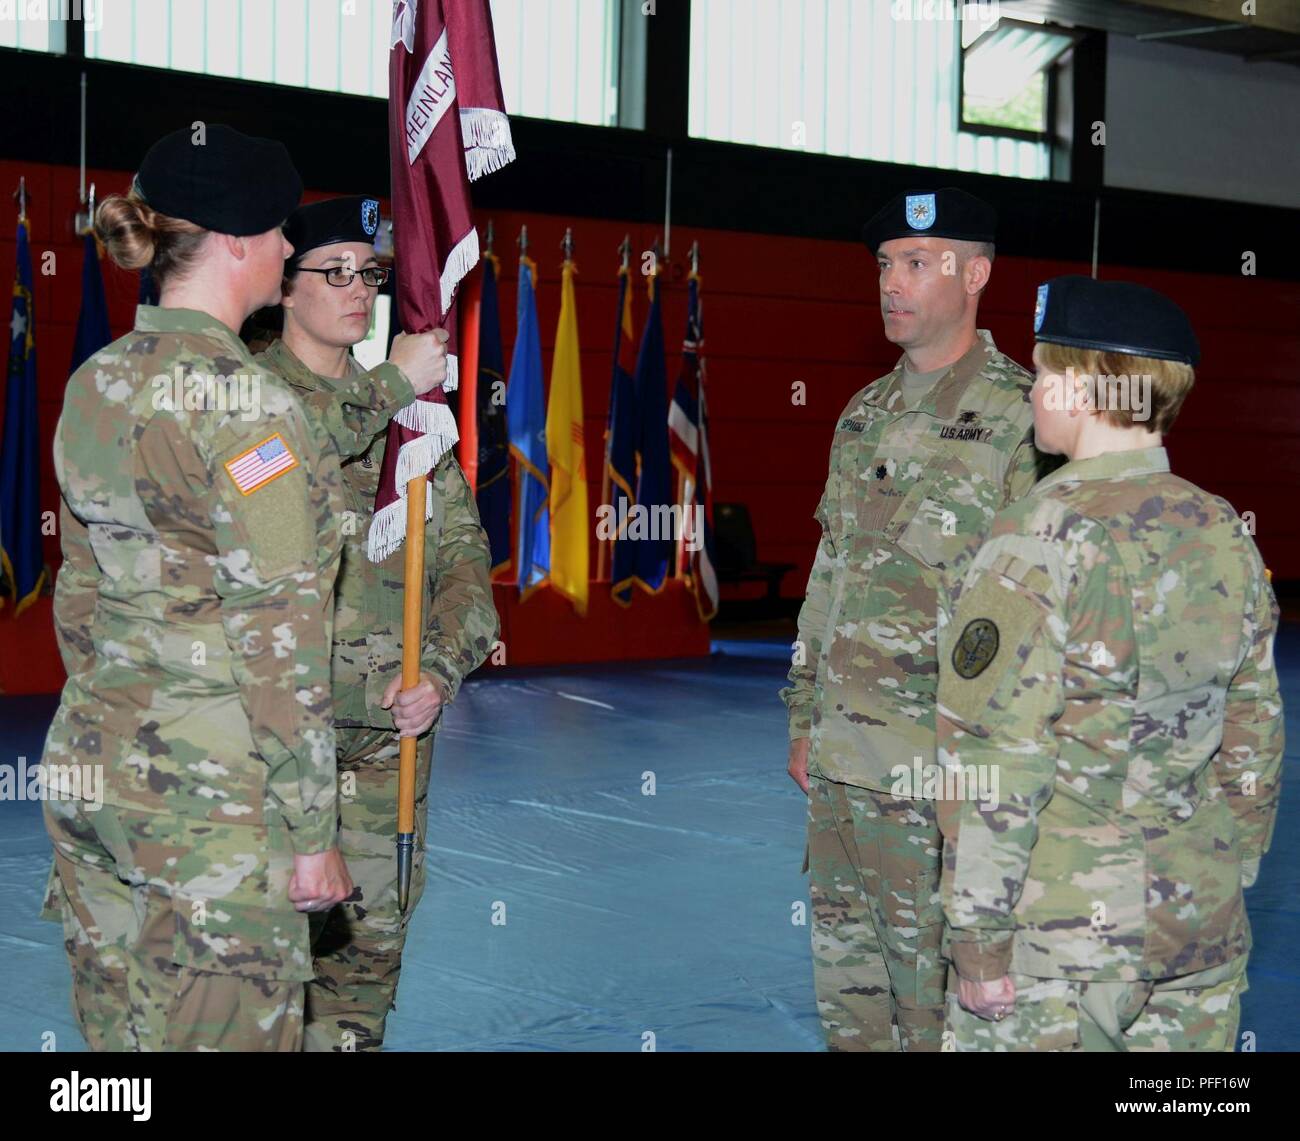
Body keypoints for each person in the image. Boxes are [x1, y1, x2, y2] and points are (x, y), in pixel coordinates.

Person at [40, 125, 448, 1051]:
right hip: (210, 803)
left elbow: (79, 592)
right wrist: (312, 828)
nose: (285, 250)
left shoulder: (94, 384)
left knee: (118, 1060)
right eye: (278, 233)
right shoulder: (253, 409)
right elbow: (280, 632)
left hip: (94, 774)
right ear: (234, 242)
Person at [936, 275, 1283, 1051]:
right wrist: (1222, 877)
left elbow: (991, 759)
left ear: (1084, 387)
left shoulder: (1035, 536)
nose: (1031, 392)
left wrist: (979, 942)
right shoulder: (1224, 527)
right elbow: (1254, 738)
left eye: (1042, 372)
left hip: (1060, 947)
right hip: (1197, 928)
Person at [780, 187, 1060, 1051]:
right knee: (853, 1009)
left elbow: (1034, 628)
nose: (891, 284)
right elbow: (830, 571)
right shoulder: (864, 411)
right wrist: (803, 713)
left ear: (974, 274)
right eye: (884, 265)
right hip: (840, 767)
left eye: (915, 263)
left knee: (943, 1016)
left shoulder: (1028, 420)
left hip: (941, 781)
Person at [252, 196, 498, 1052]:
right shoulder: (245, 397)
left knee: (357, 996)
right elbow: (285, 469)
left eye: (372, 272)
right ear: (284, 285)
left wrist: (436, 669)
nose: (359, 289)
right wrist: (390, 382)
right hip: (273, 752)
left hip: (386, 749)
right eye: (335, 271)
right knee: (255, 987)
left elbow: (468, 565)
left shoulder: (413, 420)